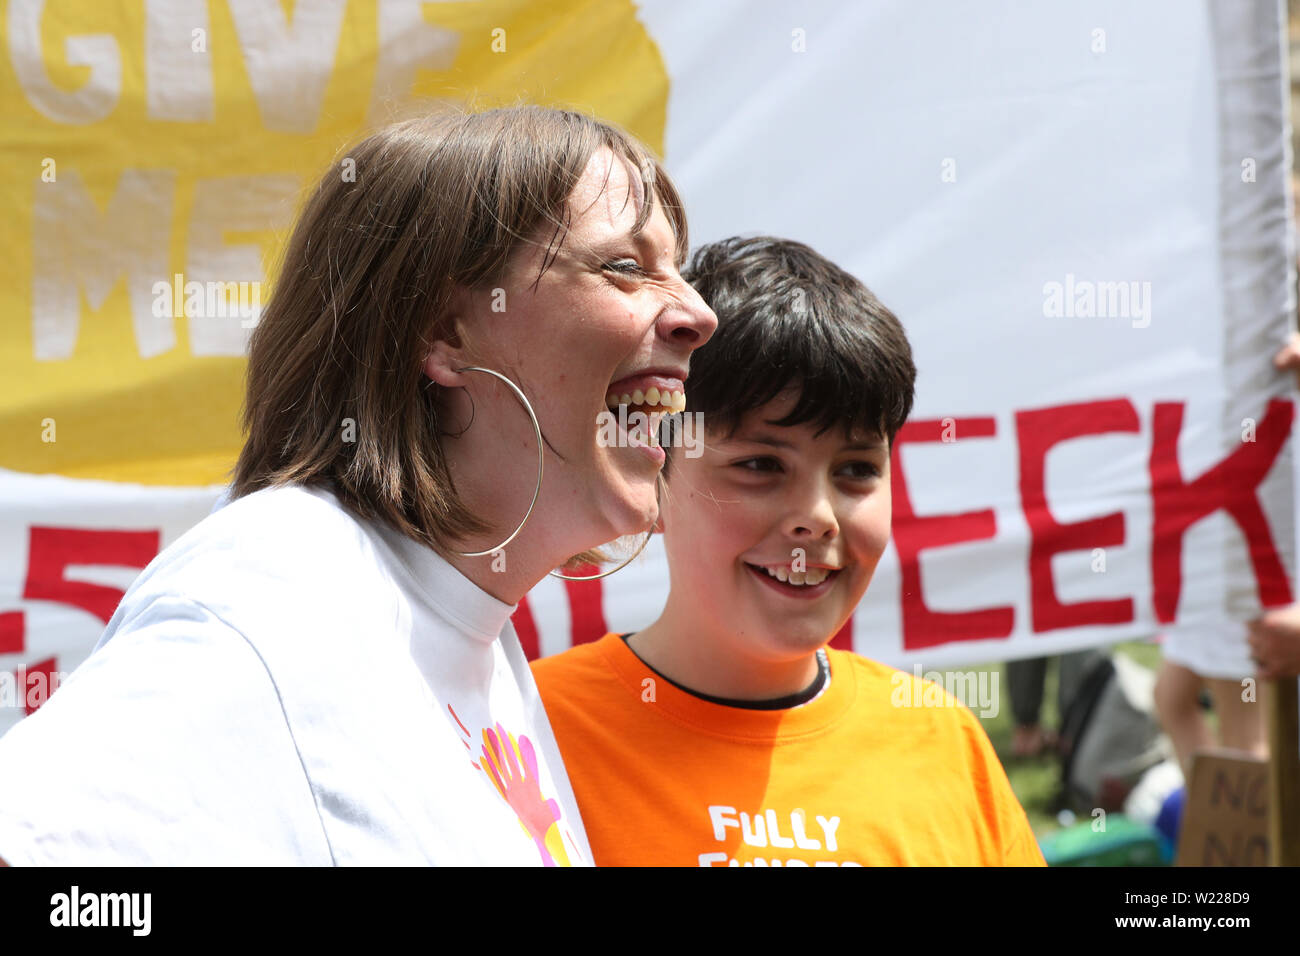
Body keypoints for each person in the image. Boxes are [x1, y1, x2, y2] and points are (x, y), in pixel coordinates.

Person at [0, 105, 717, 865]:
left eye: (679, 271)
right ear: (441, 332)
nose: (698, 316)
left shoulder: (464, 624)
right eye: (626, 267)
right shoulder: (288, 582)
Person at [531, 236, 1045, 866]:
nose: (817, 518)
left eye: (856, 471)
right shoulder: (530, 732)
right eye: (760, 465)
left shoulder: (943, 738)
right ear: (654, 478)